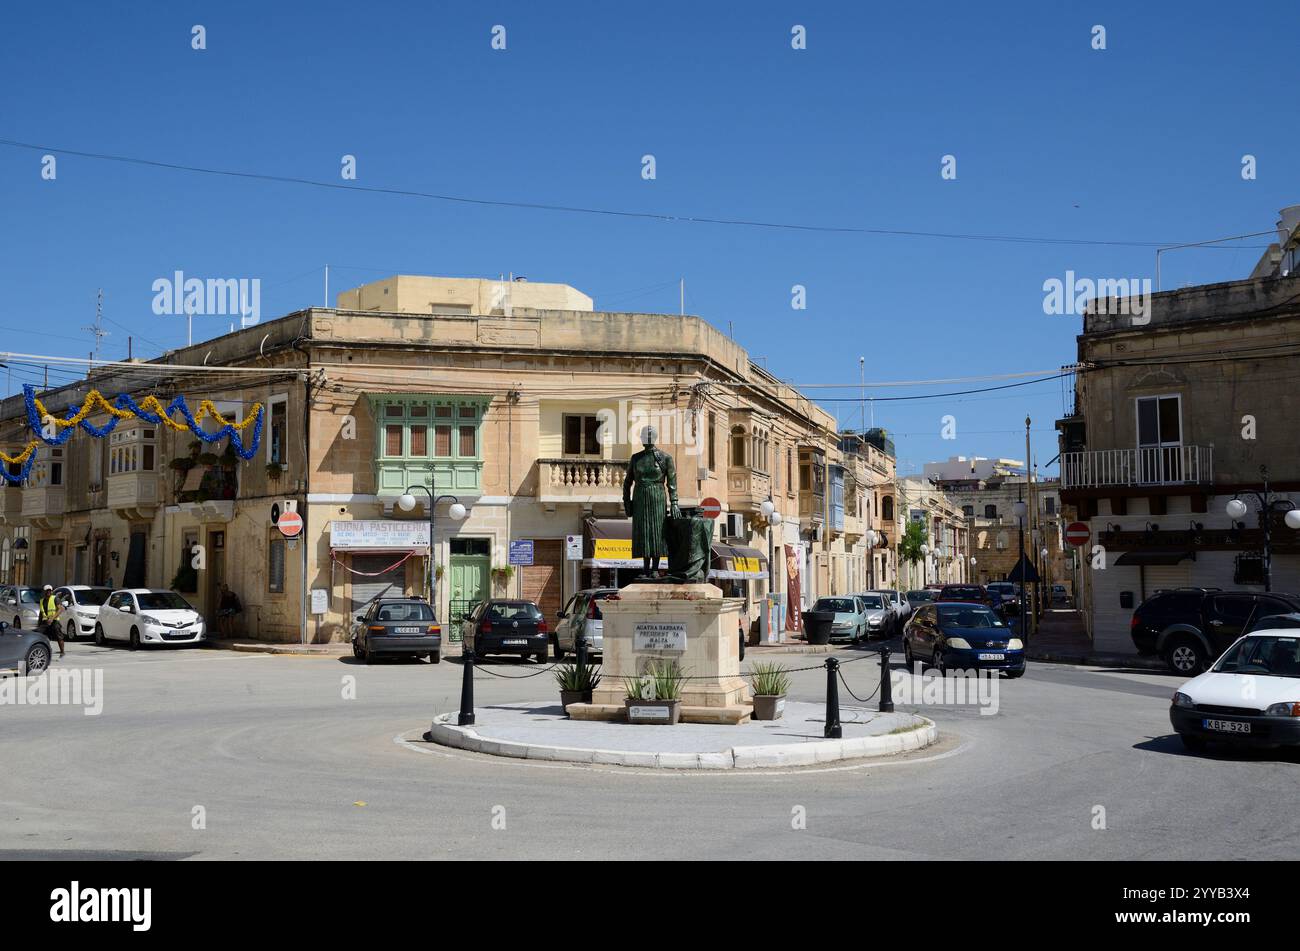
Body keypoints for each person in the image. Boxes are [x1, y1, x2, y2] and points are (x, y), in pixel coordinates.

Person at [39, 584, 63, 658]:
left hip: (54, 620)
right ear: (44, 592)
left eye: (50, 590)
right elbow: (41, 613)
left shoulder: (55, 598)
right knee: (41, 636)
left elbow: (60, 609)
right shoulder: (42, 601)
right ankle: (44, 651)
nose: (48, 592)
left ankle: (62, 652)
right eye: (47, 591)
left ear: (52, 591)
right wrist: (39, 623)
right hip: (45, 621)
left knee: (59, 636)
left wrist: (52, 618)